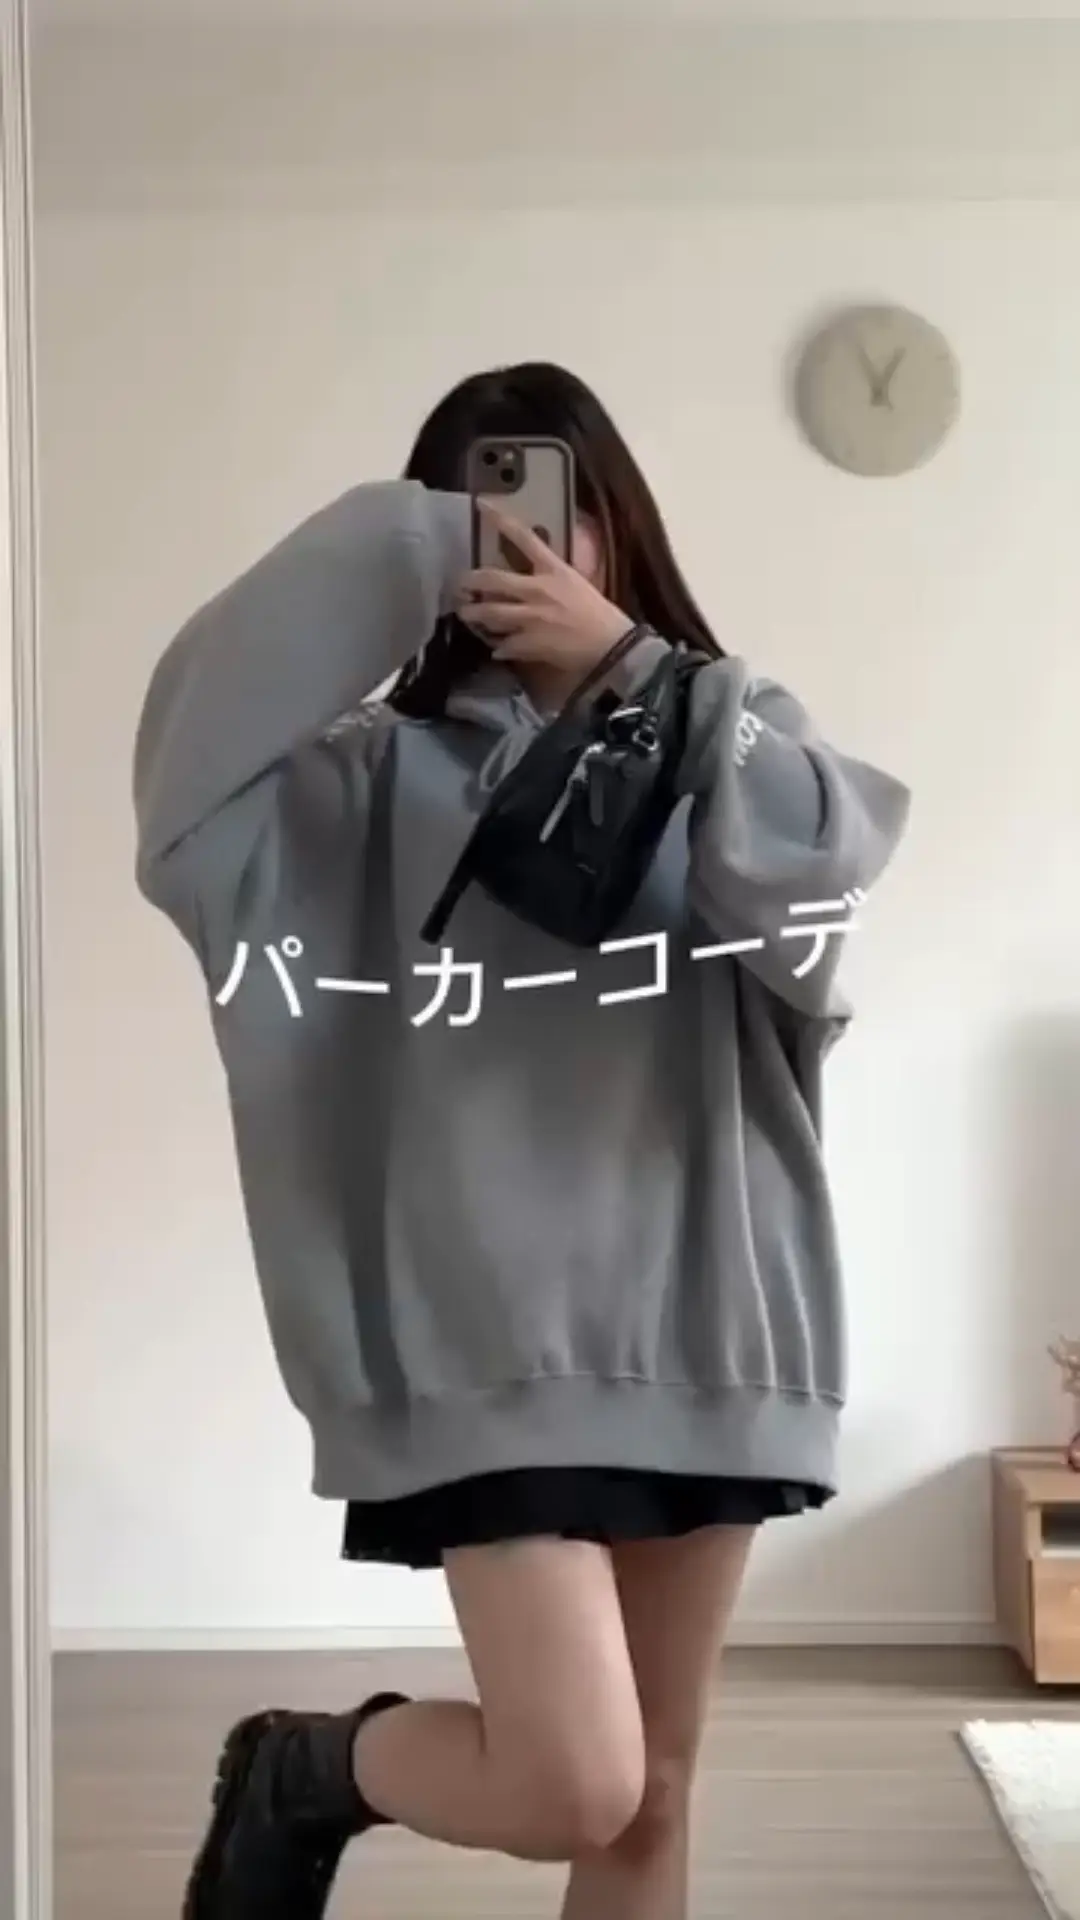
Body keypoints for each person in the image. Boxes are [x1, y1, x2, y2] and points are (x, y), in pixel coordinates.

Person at [133, 361, 910, 1920]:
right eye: (478, 512)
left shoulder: (725, 735)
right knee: (576, 1780)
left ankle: (310, 1770)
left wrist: (635, 677)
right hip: (476, 1344)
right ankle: (313, 1768)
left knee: (652, 1798)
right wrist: (408, 542)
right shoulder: (357, 784)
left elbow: (819, 904)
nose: (527, 543)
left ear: (623, 528)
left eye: (562, 511)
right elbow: (181, 786)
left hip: (714, 1324)